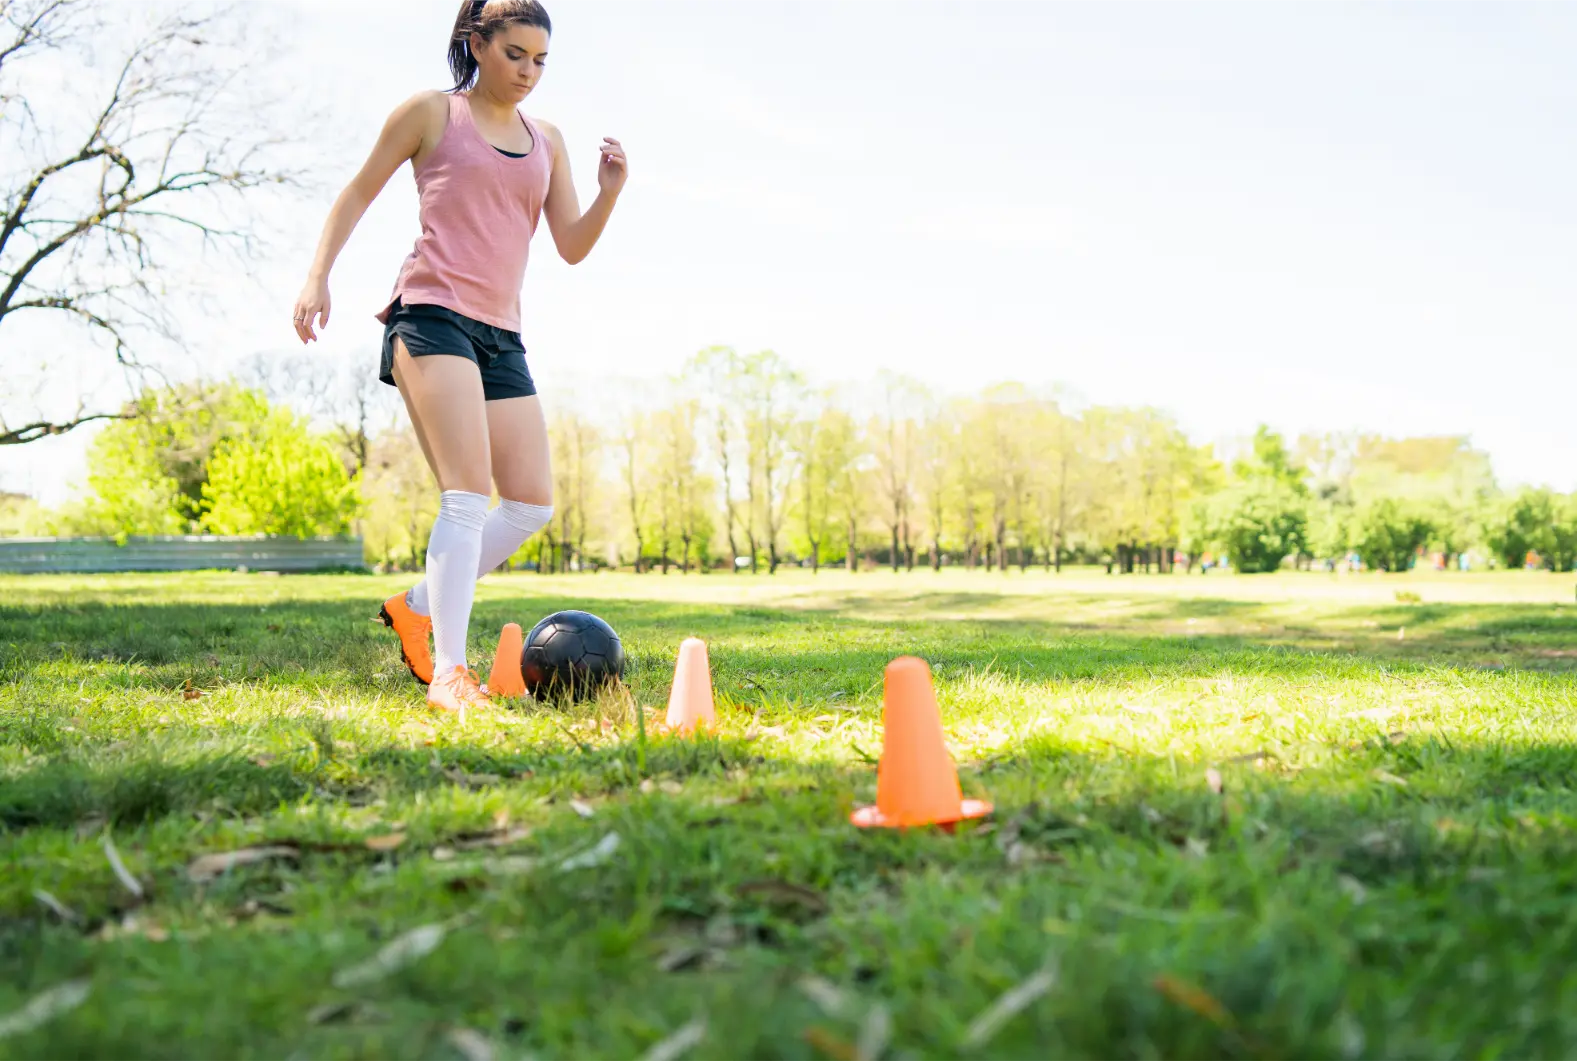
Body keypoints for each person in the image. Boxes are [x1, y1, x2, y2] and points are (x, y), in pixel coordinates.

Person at [290, 0, 627, 713]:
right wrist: (317, 275)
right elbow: (355, 193)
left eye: (540, 60)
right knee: (468, 496)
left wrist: (608, 194)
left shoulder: (549, 139)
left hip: (502, 333)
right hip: (431, 314)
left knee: (531, 502)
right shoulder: (432, 114)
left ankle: (417, 604)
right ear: (477, 44)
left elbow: (569, 245)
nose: (529, 72)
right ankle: (448, 669)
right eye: (515, 55)